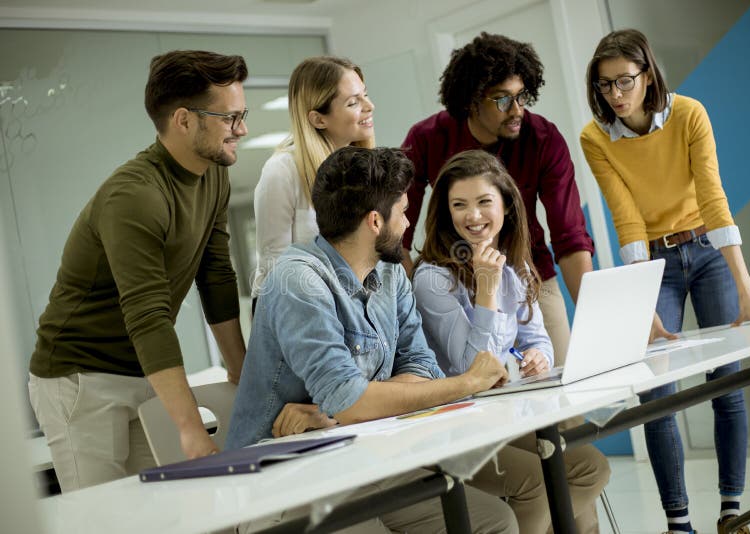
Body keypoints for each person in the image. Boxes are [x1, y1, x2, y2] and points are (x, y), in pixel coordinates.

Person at [228, 146, 517, 533]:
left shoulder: (390, 272)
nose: (409, 220)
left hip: (356, 457)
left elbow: (421, 368)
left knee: (493, 521)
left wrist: (334, 410)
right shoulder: (298, 281)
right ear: (376, 222)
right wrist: (465, 384)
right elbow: (352, 402)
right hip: (282, 481)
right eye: (403, 211)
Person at [579, 29, 750, 534]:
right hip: (655, 261)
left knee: (728, 382)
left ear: (647, 73)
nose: (616, 93)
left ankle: (731, 511)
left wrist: (747, 287)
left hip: (708, 251)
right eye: (605, 84)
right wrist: (641, 301)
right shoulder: (595, 137)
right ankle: (679, 523)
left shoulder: (689, 114)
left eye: (625, 80)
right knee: (656, 393)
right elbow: (626, 219)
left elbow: (713, 197)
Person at [28, 50, 249, 491]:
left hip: (142, 371)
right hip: (79, 377)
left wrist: (242, 372)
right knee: (106, 519)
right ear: (184, 120)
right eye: (229, 118)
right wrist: (189, 426)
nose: (241, 130)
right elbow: (147, 314)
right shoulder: (134, 195)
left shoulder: (213, 175)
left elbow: (216, 275)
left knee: (167, 509)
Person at [413, 150, 609, 533]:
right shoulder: (433, 279)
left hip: (504, 417)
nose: (473, 216)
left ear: (506, 205)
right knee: (542, 485)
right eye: (459, 205)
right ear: (445, 212)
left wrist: (538, 355)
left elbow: (538, 337)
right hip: (460, 427)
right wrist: (485, 289)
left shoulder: (512, 267)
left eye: (484, 202)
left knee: (591, 468)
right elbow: (472, 371)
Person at [402, 32, 595, 369]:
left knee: (561, 396)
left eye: (521, 96)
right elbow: (397, 234)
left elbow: (570, 237)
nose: (517, 109)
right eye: (503, 100)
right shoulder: (427, 139)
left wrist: (595, 319)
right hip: (453, 282)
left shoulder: (543, 138)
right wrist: (414, 308)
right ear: (471, 100)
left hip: (526, 275)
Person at [251, 56, 374, 306]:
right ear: (318, 119)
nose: (369, 106)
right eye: (353, 103)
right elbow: (276, 269)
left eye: (365, 95)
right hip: (298, 311)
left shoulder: (363, 168)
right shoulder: (282, 170)